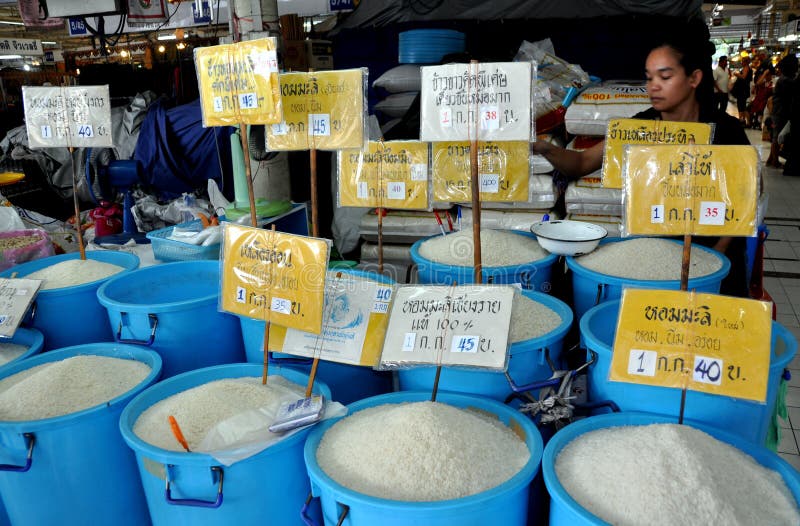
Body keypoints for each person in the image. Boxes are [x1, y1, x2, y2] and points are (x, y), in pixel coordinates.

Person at [533, 31, 750, 298]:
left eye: (665, 77)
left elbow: (743, 203)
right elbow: (581, 163)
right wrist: (541, 146)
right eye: (649, 78)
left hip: (715, 263)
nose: (653, 86)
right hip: (656, 256)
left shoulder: (727, 132)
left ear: (694, 78)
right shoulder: (641, 127)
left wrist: (712, 264)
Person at [767, 55, 798, 169]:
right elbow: (795, 87)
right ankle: (775, 161)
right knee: (777, 136)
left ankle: (771, 159)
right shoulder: (785, 80)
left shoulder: (783, 78)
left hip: (778, 111)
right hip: (780, 112)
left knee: (776, 135)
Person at [731, 56, 753, 126]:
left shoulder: (746, 68)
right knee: (743, 106)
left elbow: (743, 77)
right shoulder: (749, 68)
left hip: (742, 90)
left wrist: (737, 74)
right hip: (744, 89)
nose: (741, 62)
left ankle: (741, 121)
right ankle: (744, 120)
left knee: (741, 106)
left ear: (746, 62)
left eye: (743, 61)